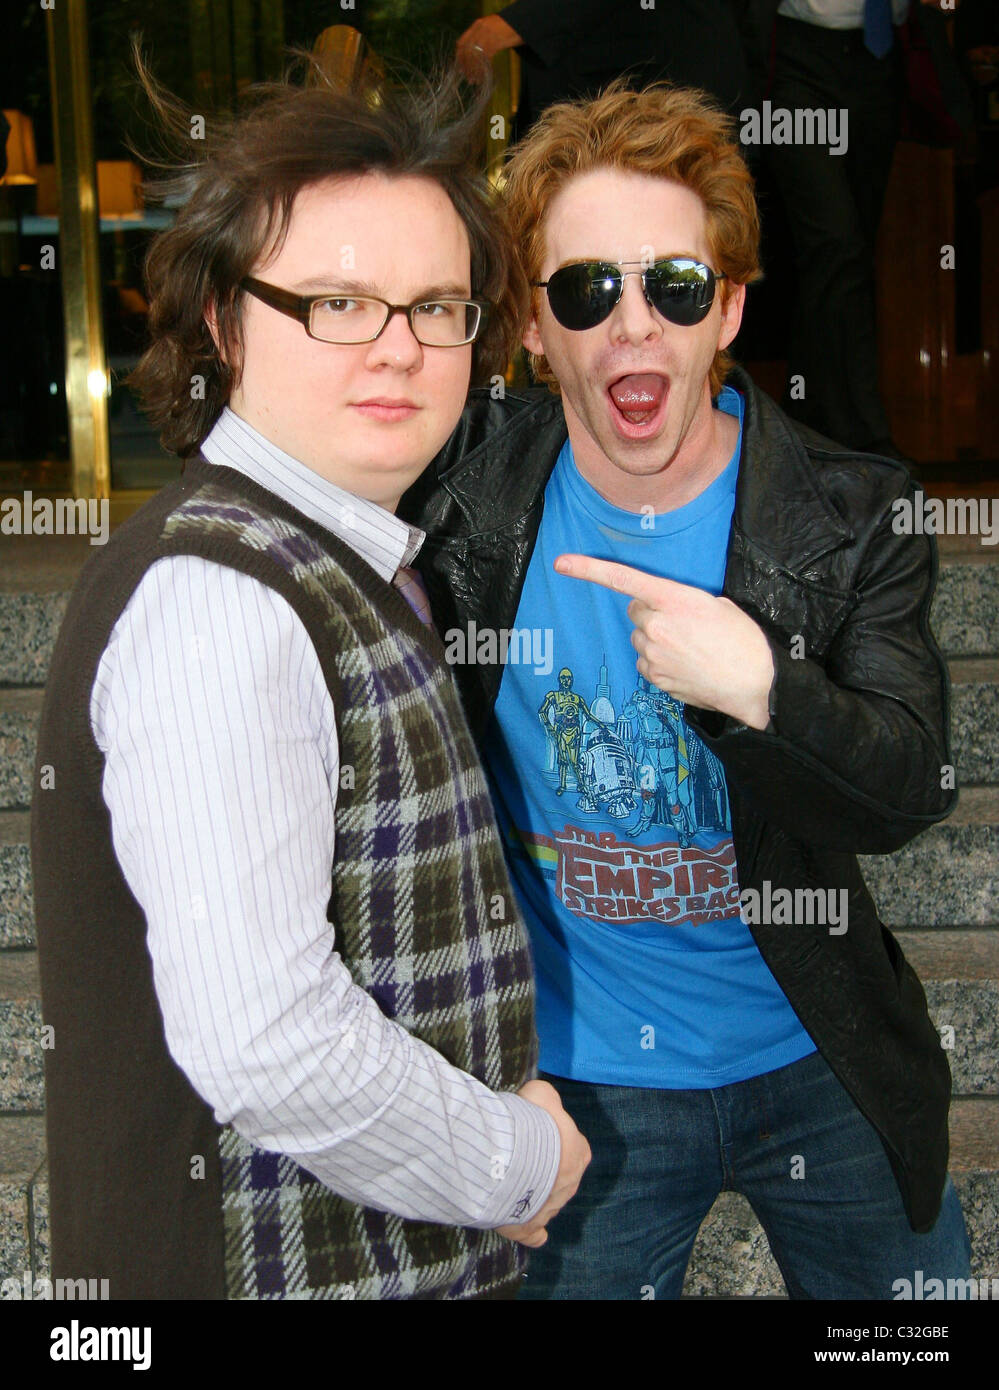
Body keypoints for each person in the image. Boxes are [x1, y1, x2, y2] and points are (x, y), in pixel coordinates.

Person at [401, 79, 973, 1299]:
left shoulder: (850, 516)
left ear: (729, 310)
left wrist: (767, 693)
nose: (632, 329)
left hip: (820, 1046)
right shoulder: (458, 513)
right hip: (584, 1077)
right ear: (533, 329)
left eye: (673, 286)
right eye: (584, 289)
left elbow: (908, 783)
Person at [30, 61, 589, 1301]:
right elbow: (268, 1044)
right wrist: (518, 1160)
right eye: (338, 302)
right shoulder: (224, 603)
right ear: (226, 325)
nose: (399, 349)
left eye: (437, 305)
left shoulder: (348, 560)